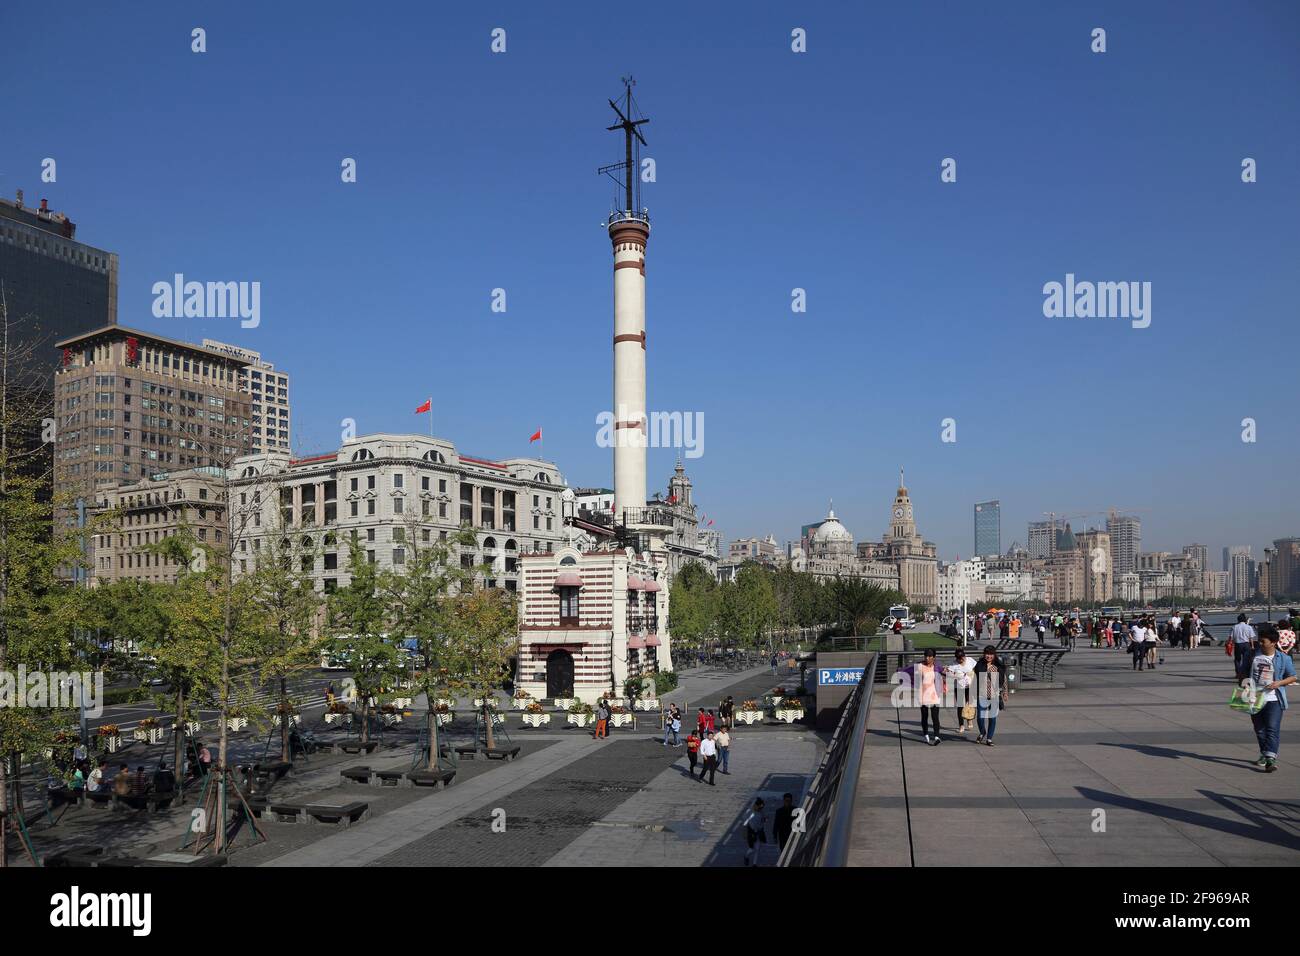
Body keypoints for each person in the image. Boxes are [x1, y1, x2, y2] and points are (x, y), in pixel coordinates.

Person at [1245, 624, 1297, 773]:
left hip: (1274, 699)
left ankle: (1270, 759)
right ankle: (1264, 753)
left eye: (1263, 641)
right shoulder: (1252, 655)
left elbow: (1293, 676)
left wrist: (1278, 683)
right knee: (1260, 730)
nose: (1260, 644)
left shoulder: (1283, 658)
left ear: (1273, 642)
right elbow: (1243, 672)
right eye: (1259, 640)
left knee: (1272, 729)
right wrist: (1245, 684)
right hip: (1255, 697)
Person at [897, 647, 946, 745]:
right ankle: (926, 734)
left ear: (934, 657)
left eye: (930, 656)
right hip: (923, 695)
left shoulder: (937, 667)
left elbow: (946, 672)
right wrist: (900, 671)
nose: (927, 658)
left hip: (934, 695)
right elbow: (907, 670)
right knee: (924, 716)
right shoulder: (919, 666)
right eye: (926, 656)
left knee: (935, 717)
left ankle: (937, 736)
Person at [972, 645, 1009, 745]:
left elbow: (1004, 680)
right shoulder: (979, 665)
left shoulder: (997, 666)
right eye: (987, 654)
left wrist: (1005, 692)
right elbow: (974, 679)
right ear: (984, 654)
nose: (989, 656)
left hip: (994, 695)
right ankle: (982, 732)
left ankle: (989, 738)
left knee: (992, 718)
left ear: (994, 655)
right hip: (981, 695)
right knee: (980, 718)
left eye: (991, 654)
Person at [946, 647, 976, 733]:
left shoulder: (970, 660)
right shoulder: (954, 664)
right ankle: (961, 725)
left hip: (970, 686)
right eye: (959, 659)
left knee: (969, 704)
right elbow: (948, 673)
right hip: (959, 687)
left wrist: (972, 675)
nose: (961, 660)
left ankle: (969, 719)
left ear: (964, 656)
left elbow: (976, 669)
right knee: (960, 706)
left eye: (962, 658)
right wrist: (954, 675)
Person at [1231, 613, 1257, 680]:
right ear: (1245, 620)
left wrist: (1230, 644)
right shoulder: (1249, 627)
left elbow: (1231, 637)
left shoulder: (1234, 627)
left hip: (1238, 644)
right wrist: (1252, 646)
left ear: (1238, 620)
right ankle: (1245, 673)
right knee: (1246, 659)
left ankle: (1238, 673)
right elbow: (1251, 638)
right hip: (1246, 644)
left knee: (1237, 659)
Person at [743, 798, 767, 866]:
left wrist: (764, 820)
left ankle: (754, 864)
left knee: (758, 848)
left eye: (761, 807)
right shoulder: (749, 812)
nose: (760, 808)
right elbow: (745, 821)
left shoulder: (761, 812)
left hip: (759, 832)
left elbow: (764, 819)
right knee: (752, 848)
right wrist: (745, 831)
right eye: (759, 807)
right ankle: (746, 856)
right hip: (751, 832)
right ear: (755, 805)